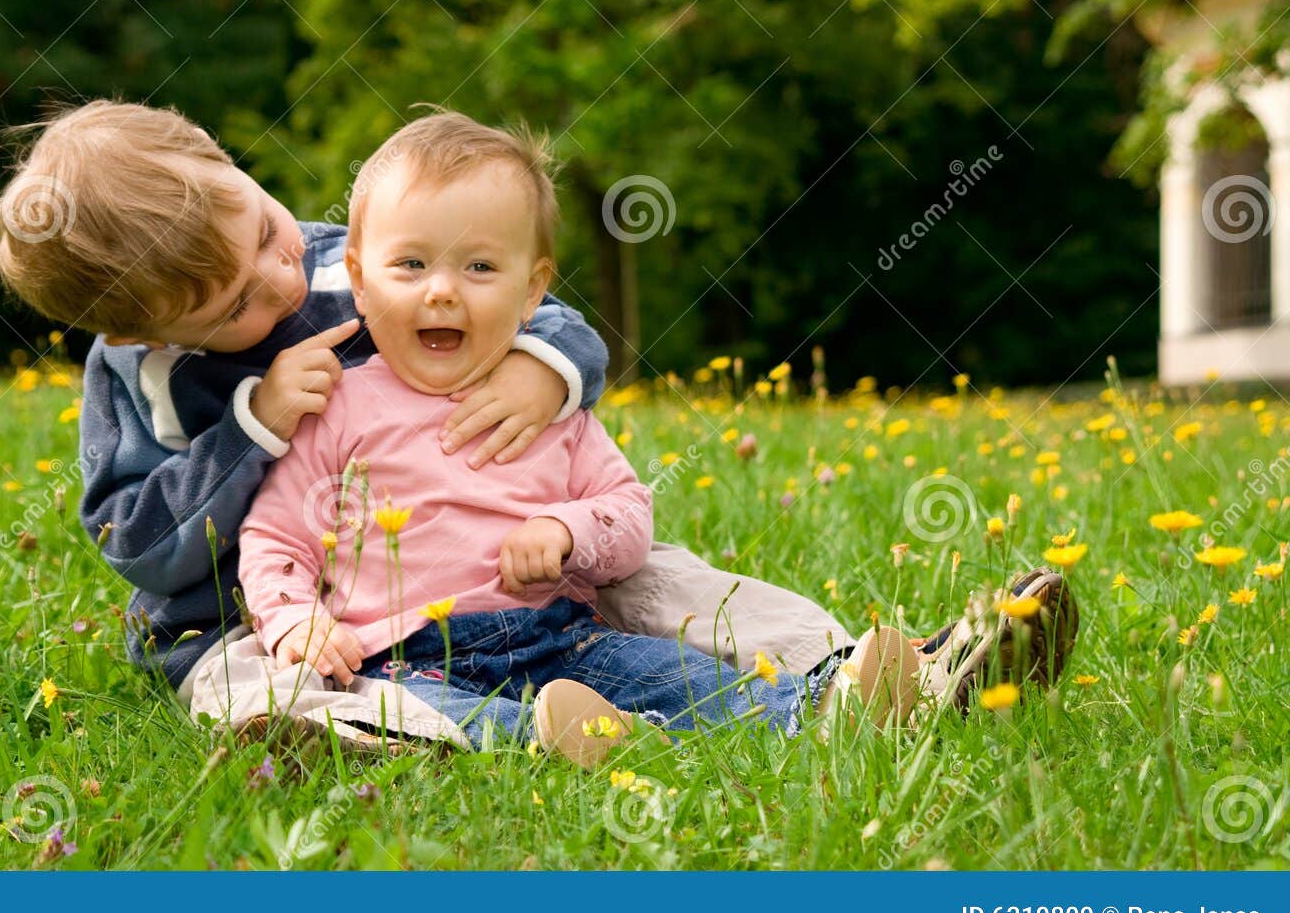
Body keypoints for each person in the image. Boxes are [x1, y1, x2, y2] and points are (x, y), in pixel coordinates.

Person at [0, 101, 869, 730]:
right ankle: (403, 737)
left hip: (501, 559)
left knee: (649, 573)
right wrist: (254, 426)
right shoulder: (141, 381)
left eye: (261, 233)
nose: (282, 281)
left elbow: (527, 304)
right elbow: (137, 542)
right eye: (233, 307)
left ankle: (840, 673)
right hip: (275, 613)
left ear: (222, 156)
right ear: (141, 330)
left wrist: (539, 370)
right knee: (252, 684)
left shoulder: (362, 260)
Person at [235, 111, 1075, 763]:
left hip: (560, 635)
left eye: (480, 268)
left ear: (533, 292)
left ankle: (841, 703)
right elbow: (274, 536)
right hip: (404, 651)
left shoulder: (549, 405)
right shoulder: (337, 404)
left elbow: (628, 513)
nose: (443, 292)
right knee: (409, 711)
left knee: (682, 677)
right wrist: (293, 621)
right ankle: (551, 742)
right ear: (355, 275)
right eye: (410, 265)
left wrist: (566, 530)